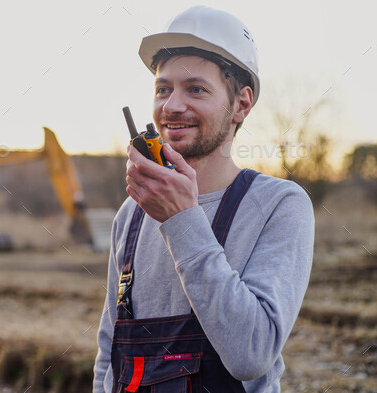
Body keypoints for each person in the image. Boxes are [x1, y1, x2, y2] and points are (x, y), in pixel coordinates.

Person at [93, 5, 314, 393]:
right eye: (163, 88)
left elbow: (251, 354)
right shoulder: (131, 213)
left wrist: (181, 219)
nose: (171, 106)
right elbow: (108, 357)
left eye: (195, 89)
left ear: (241, 104)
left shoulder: (279, 205)